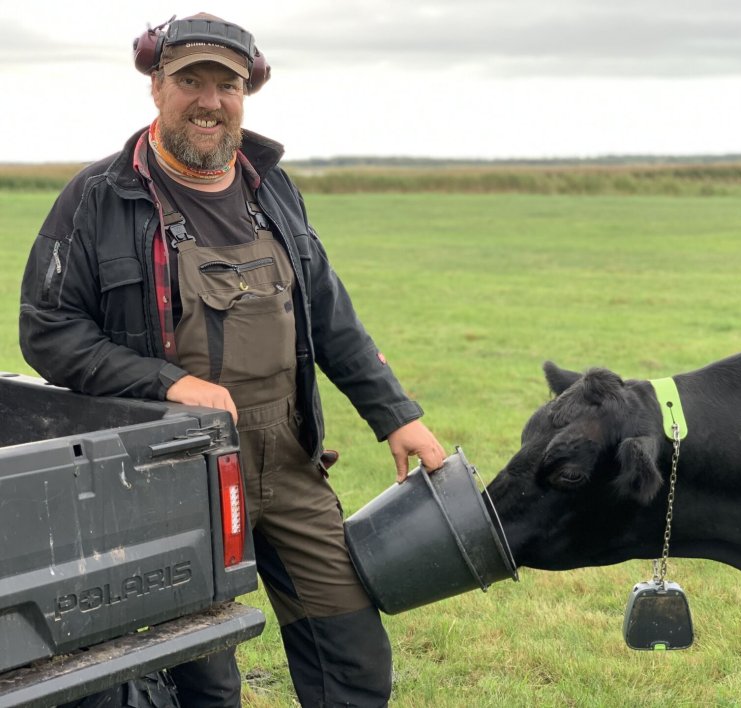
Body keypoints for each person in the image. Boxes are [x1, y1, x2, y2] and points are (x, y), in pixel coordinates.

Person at [19, 12, 446, 707]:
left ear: (246, 94)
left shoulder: (272, 188)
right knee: (206, 679)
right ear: (157, 86)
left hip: (290, 459)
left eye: (228, 85)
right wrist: (167, 382)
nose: (210, 100)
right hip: (177, 469)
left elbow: (329, 314)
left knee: (352, 654)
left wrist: (397, 415)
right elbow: (48, 331)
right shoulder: (99, 198)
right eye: (191, 80)